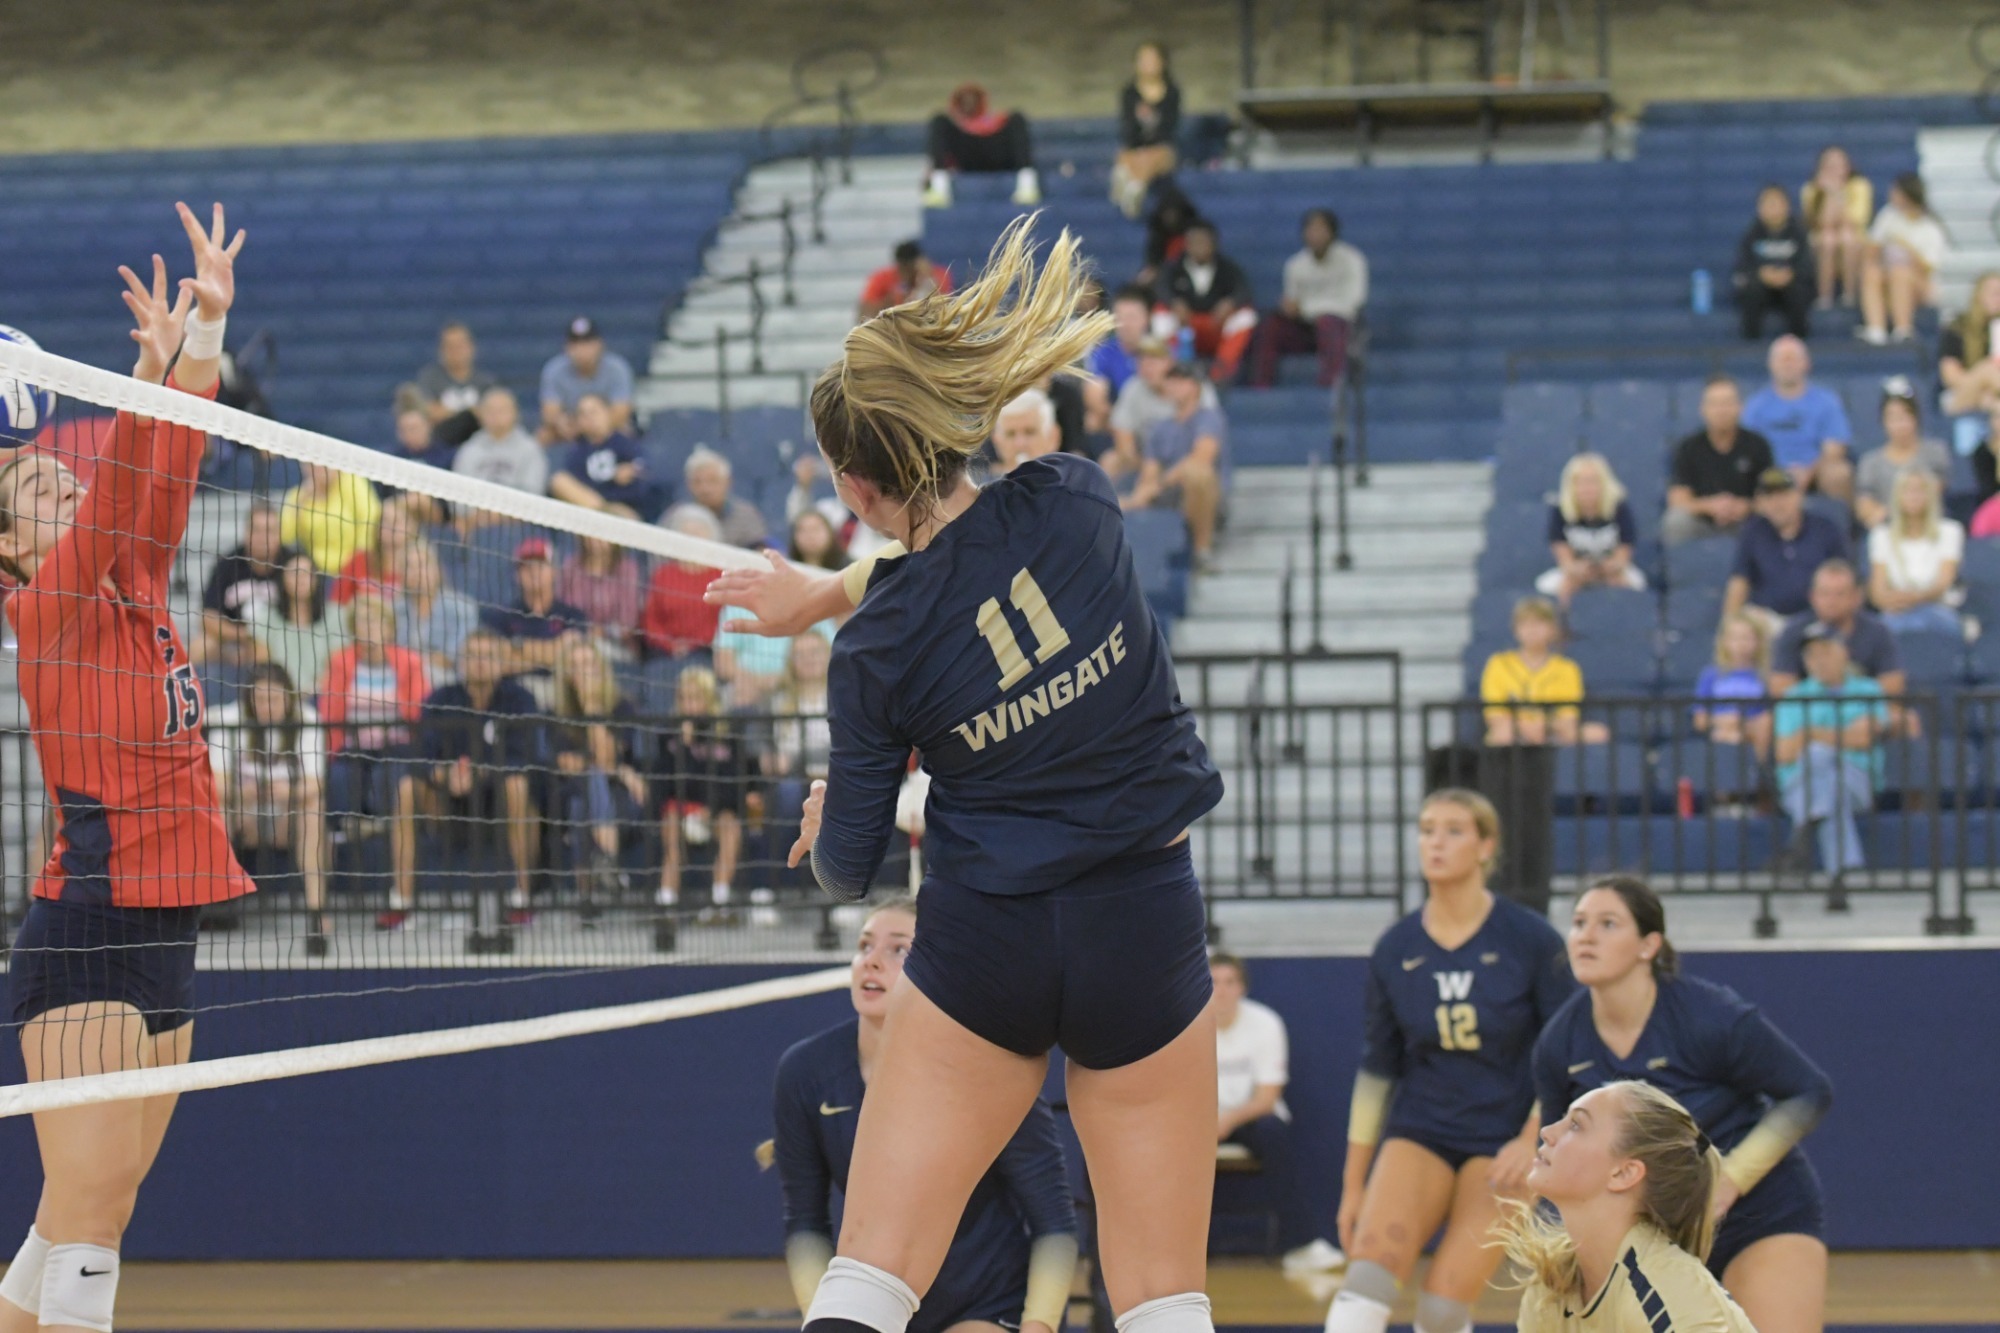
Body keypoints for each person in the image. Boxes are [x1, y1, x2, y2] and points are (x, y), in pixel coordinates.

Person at [701, 219, 1226, 1333]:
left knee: (870, 1274)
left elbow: (848, 874)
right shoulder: (1080, 501)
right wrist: (834, 587)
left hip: (987, 939)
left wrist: (830, 815)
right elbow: (975, 544)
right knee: (1160, 1300)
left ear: (850, 484)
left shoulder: (874, 650)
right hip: (1139, 919)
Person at [0, 202, 251, 1333]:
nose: (60, 486)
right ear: (9, 545)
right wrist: (134, 388)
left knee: (82, 1211)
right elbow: (115, 494)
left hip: (169, 918)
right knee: (91, 1228)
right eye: (35, 491)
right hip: (90, 923)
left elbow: (166, 474)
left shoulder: (132, 583)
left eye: (59, 480)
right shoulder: (47, 604)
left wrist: (195, 342)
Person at [1324, 789, 1574, 1333]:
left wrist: (1533, 1137)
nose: (1436, 842)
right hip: (1421, 1128)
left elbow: (1566, 1051)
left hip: (1504, 1139)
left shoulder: (1530, 939)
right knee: (1362, 1291)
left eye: (1454, 830)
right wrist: (1352, 1184)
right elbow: (1376, 1071)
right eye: (1427, 829)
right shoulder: (1396, 946)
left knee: (1441, 1309)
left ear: (1487, 846)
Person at [1536, 876, 1832, 1333]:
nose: (1586, 936)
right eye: (1578, 923)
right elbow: (1559, 1165)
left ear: (1648, 944)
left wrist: (1732, 1178)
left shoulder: (1711, 1018)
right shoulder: (1560, 1043)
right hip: (1650, 1239)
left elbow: (1808, 1092)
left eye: (1607, 924)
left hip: (1757, 1215)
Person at [769, 897, 1079, 1333]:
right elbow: (805, 1222)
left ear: (938, 970)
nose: (872, 962)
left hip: (990, 1300)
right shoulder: (806, 1071)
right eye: (864, 946)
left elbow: (1055, 1225)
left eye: (899, 950)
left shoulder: (988, 1066)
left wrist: (1039, 1324)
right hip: (875, 1294)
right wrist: (823, 1314)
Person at [1503, 1081, 1755, 1333]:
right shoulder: (1553, 1284)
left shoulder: (1667, 1290)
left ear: (1624, 1173)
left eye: (1576, 1125)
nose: (1547, 1131)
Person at [389, 627, 544, 929]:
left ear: (502, 663)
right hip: (448, 801)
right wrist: (444, 774)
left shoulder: (520, 700)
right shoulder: (441, 699)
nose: (480, 663)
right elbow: (420, 753)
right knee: (407, 787)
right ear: (460, 663)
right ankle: (401, 902)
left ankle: (521, 899)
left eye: (487, 656)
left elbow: (527, 756)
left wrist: (481, 773)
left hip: (498, 800)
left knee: (517, 784)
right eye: (472, 656)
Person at [1207, 953, 1344, 1276]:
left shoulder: (1265, 1023)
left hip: (1250, 1116)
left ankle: (1300, 1245)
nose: (1222, 991)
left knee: (1274, 1133)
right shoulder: (1185, 1026)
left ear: (1242, 988)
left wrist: (1226, 1121)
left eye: (1230, 982)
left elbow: (1267, 1097)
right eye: (1213, 982)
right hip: (1200, 1118)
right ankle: (1174, 1251)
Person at [206, 661, 330, 951]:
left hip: (287, 817)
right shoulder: (228, 718)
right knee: (219, 808)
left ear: (288, 698)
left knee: (314, 809)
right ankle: (215, 909)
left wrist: (288, 792)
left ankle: (317, 915)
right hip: (245, 815)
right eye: (260, 699)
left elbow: (316, 783)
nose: (266, 706)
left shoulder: (308, 720)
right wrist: (247, 793)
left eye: (274, 699)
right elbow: (216, 784)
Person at [318, 595, 430, 872]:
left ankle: (378, 825)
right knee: (341, 776)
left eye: (376, 621)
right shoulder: (340, 662)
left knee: (391, 775)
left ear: (390, 627)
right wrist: (332, 753)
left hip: (397, 746)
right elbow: (330, 714)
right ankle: (350, 827)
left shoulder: (409, 662)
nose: (369, 627)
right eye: (363, 622)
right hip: (354, 747)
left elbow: (420, 712)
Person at [1774, 624, 1890, 874]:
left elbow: (1864, 737)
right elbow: (1784, 753)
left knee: (1818, 756)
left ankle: (1803, 830)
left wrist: (1811, 733)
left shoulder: (1868, 690)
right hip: (1799, 783)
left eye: (1825, 651)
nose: (1819, 660)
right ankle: (1843, 873)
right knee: (1829, 785)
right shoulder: (1795, 695)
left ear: (1844, 652)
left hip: (1856, 779)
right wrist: (1841, 735)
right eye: (1811, 654)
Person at [551, 635, 647, 907]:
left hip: (619, 798)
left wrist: (592, 706)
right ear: (566, 674)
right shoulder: (558, 714)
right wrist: (620, 770)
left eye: (589, 664)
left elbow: (604, 759)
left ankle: (587, 901)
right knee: (584, 790)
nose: (584, 671)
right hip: (570, 789)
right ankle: (609, 865)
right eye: (576, 665)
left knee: (580, 809)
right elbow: (568, 765)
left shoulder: (621, 706)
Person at [655, 666, 750, 912]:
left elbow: (731, 783)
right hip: (681, 809)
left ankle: (719, 899)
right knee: (671, 822)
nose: (689, 705)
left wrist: (711, 809)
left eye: (696, 697)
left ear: (709, 700)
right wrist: (684, 747)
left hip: (716, 811)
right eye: (683, 698)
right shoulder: (668, 736)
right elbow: (667, 785)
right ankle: (666, 901)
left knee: (731, 824)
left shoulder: (727, 736)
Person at [1721, 469, 1851, 641]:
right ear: (1760, 503)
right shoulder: (1753, 532)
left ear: (1798, 496)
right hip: (1768, 620)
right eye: (1769, 497)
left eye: (1783, 495)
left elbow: (1845, 577)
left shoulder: (1825, 529)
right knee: (1746, 626)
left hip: (1816, 618)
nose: (1777, 503)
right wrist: (1729, 628)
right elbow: (1739, 583)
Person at [1249, 209, 1369, 389]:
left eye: (1320, 229)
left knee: (1327, 322)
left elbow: (1355, 301)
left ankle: (1331, 386)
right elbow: (1292, 301)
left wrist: (1310, 309)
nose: (1315, 235)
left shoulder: (1352, 259)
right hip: (1306, 328)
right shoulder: (1295, 264)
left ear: (1332, 232)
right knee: (1271, 326)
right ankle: (1261, 386)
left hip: (1340, 326)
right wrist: (1291, 308)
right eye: (1310, 230)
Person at [1125, 364, 1228, 568]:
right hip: (1167, 495)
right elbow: (1149, 470)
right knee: (1113, 501)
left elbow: (1202, 456)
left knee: (1198, 474)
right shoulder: (1161, 427)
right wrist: (1143, 492)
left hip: (1203, 498)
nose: (1173, 386)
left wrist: (1159, 484)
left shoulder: (1209, 417)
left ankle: (1202, 549)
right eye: (1171, 381)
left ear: (1195, 387)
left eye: (1181, 381)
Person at [1768, 560, 1907, 703]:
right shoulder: (1793, 632)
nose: (1831, 601)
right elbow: (1780, 688)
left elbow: (1893, 688)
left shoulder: (1878, 632)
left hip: (1862, 713)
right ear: (1812, 596)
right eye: (1824, 593)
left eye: (1839, 594)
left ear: (1857, 597)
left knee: (1903, 717)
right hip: (1809, 715)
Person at [1481, 597, 1608, 747]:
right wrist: (1525, 726)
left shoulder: (1567, 668)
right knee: (1503, 733)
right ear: (1515, 630)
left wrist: (1544, 726)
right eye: (1525, 624)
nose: (1532, 630)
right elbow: (1495, 713)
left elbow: (1568, 715)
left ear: (1552, 629)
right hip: (1513, 732)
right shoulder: (1499, 663)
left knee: (1598, 733)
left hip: (1554, 733)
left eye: (1539, 624)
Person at [1665, 376, 1776, 546]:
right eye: (1715, 404)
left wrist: (1745, 507)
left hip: (1746, 522)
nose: (1721, 410)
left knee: (1773, 517)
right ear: (1703, 409)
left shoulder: (1757, 445)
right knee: (1676, 521)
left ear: (1740, 407)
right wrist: (1710, 506)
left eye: (1727, 403)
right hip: (1702, 521)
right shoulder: (1688, 447)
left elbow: (1771, 495)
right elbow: (1678, 499)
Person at [1740, 336, 1852, 501]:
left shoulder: (1826, 402)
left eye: (1792, 359)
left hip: (1814, 474)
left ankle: (1840, 525)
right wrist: (1779, 474)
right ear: (1771, 364)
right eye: (1782, 359)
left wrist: (1807, 472)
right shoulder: (1755, 406)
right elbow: (1746, 447)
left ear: (1806, 363)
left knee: (1839, 472)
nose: (1787, 364)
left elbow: (1834, 448)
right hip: (1768, 474)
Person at [1536, 453, 1644, 607]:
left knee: (1629, 584)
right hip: (1576, 570)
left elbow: (1623, 553)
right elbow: (1563, 558)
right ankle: (1565, 623)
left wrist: (1609, 567)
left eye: (1593, 481)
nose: (1587, 488)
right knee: (1558, 586)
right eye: (1580, 482)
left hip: (1612, 570)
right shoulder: (1559, 510)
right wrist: (1577, 569)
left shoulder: (1619, 508)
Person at [1156, 221, 1256, 382]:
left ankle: (1221, 374)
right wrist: (1174, 302)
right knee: (1161, 313)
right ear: (1186, 245)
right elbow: (1160, 290)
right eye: (1195, 242)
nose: (1200, 247)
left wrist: (1230, 303)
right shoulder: (1173, 268)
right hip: (1185, 327)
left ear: (1214, 245)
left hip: (1216, 326)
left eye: (1205, 242)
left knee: (1246, 315)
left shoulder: (1228, 268)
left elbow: (1244, 290)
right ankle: (1174, 370)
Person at [1867, 469, 1964, 635]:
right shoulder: (1881, 535)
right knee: (1886, 629)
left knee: (1941, 624)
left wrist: (1915, 599)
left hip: (1938, 607)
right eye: (1908, 490)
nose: (1914, 496)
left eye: (1920, 490)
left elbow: (1944, 582)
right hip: (1895, 610)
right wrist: (1895, 601)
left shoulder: (1950, 530)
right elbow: (1878, 591)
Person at [1109, 337, 1218, 481]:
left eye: (1153, 361)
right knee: (1110, 460)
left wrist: (1163, 477)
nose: (1146, 367)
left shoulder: (1195, 386)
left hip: (1188, 458)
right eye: (1141, 361)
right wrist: (1148, 467)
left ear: (1170, 362)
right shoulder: (1134, 388)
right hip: (1146, 460)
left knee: (1197, 471)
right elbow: (1122, 434)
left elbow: (1209, 435)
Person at [199, 500, 295, 664]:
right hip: (232, 640)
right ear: (246, 532)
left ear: (279, 534)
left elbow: (302, 617)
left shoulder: (291, 564)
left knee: (261, 651)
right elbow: (208, 618)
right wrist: (245, 636)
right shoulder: (227, 564)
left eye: (269, 531)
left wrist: (261, 639)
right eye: (256, 530)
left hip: (279, 640)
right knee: (201, 647)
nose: (262, 537)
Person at [482, 537, 590, 681]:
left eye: (540, 564)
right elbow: (496, 663)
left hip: (560, 690)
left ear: (554, 571)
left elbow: (569, 656)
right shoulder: (502, 616)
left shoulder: (573, 615)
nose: (533, 571)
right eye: (526, 566)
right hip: (514, 690)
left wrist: (516, 647)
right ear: (517, 575)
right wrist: (552, 652)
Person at [1857, 173, 1946, 346]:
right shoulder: (1888, 216)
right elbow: (1871, 250)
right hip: (1888, 278)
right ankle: (1876, 329)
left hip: (1919, 285)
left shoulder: (1930, 228)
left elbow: (1929, 268)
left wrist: (1907, 250)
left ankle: (1903, 329)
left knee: (1900, 273)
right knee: (1872, 272)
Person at [246, 550, 348, 700]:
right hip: (278, 700)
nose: (301, 579)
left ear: (316, 579)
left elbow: (338, 667)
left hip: (323, 697)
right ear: (282, 578)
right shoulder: (265, 619)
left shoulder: (336, 617)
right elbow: (264, 670)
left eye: (307, 573)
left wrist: (313, 690)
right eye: (294, 573)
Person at [1853, 377, 1952, 530]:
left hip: (1929, 528)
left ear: (1916, 418)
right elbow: (1864, 504)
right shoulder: (1870, 462)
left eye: (1905, 416)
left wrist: (1890, 512)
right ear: (1883, 421)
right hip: (1888, 531)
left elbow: (1934, 490)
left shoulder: (1935, 452)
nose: (1899, 424)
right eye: (1892, 417)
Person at [548, 392, 664, 521]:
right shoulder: (576, 453)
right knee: (560, 480)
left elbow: (645, 467)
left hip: (624, 508)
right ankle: (602, 516)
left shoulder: (625, 443)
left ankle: (604, 517)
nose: (590, 418)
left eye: (594, 412)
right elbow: (573, 486)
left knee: (624, 516)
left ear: (608, 413)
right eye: (583, 414)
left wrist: (631, 470)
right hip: (589, 512)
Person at [924, 83, 1040, 209]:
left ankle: (1027, 183)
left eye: (973, 100)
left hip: (997, 156)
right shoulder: (953, 128)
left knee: (1017, 117)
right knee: (939, 119)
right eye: (965, 101)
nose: (969, 104)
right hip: (967, 157)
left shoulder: (996, 121)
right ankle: (939, 186)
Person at [643, 505, 726, 678]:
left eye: (698, 532)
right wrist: (670, 645)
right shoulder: (663, 574)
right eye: (687, 533)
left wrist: (694, 645)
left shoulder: (721, 575)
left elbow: (723, 620)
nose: (692, 538)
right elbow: (651, 619)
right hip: (664, 652)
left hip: (706, 652)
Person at [394, 538, 480, 687]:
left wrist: (412, 661)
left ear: (437, 570)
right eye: (410, 567)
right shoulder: (395, 610)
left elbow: (453, 658)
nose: (417, 572)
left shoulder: (462, 608)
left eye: (423, 565)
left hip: (449, 681)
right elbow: (390, 654)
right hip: (402, 678)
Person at [1733, 185, 1815, 341]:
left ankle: (1799, 342)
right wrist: (1762, 275)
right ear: (1759, 208)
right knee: (1751, 290)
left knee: (1799, 292)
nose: (1773, 209)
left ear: (1787, 206)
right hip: (1761, 287)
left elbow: (1807, 265)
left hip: (1791, 285)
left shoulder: (1798, 232)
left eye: (1776, 203)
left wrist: (1790, 275)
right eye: (1768, 204)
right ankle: (1751, 342)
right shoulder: (1752, 233)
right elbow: (1743, 266)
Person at [558, 514, 648, 654]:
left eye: (601, 531)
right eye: (592, 531)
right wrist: (583, 632)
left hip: (618, 646)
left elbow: (629, 620)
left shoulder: (627, 569)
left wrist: (604, 631)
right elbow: (564, 609)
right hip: (577, 642)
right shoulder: (571, 566)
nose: (596, 538)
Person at [1111, 41, 1181, 217]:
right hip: (1136, 148)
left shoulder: (1172, 92)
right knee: (1125, 155)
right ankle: (1128, 183)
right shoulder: (1129, 93)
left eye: (1153, 59)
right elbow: (1128, 128)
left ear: (1163, 62)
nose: (1148, 64)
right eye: (1144, 60)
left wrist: (1148, 150)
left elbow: (1168, 128)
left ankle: (1135, 187)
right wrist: (1138, 150)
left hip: (1161, 149)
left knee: (1157, 155)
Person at [539, 315, 634, 443]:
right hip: (570, 427)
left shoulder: (617, 368)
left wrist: (589, 425)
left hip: (606, 427)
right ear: (567, 348)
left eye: (587, 343)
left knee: (625, 431)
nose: (582, 350)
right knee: (543, 436)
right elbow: (549, 412)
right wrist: (561, 421)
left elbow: (621, 412)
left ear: (600, 345)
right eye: (576, 344)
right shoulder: (554, 369)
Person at [1936, 271, 2000, 458]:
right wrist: (1981, 388)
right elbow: (1951, 377)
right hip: (1960, 397)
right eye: (1995, 293)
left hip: (1992, 398)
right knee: (1988, 369)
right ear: (1979, 295)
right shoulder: (1958, 327)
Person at [281, 459, 380, 579]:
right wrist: (301, 501)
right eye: (312, 465)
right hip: (314, 573)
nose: (319, 469)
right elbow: (285, 537)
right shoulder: (298, 495)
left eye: (324, 464)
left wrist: (357, 562)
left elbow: (371, 520)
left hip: (353, 570)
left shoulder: (352, 482)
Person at [1801, 145, 1871, 310]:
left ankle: (1849, 293)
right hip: (1822, 237)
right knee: (1828, 239)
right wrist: (1829, 193)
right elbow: (1821, 223)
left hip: (1853, 237)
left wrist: (1836, 194)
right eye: (1829, 165)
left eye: (1839, 165)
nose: (1834, 170)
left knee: (1847, 238)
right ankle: (1825, 295)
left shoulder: (1860, 186)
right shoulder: (1810, 189)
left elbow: (1854, 220)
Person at [1693, 613, 1774, 752]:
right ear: (1724, 641)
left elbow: (1769, 715)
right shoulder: (1711, 675)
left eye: (1747, 638)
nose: (1741, 644)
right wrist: (1725, 721)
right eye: (1735, 638)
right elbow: (1700, 719)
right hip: (1720, 731)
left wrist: (1744, 724)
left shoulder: (1765, 676)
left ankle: (1760, 769)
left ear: (1759, 642)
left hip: (1753, 733)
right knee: (1727, 736)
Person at [453, 386, 549, 496]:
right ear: (480, 415)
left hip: (515, 510)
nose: (496, 416)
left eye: (502, 410)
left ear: (515, 413)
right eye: (490, 411)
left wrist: (500, 511)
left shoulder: (530, 449)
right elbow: (458, 494)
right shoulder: (468, 449)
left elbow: (533, 492)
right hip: (475, 512)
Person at [414, 321, 498, 447]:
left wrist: (447, 411)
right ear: (441, 350)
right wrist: (469, 412)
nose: (455, 352)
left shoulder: (485, 381)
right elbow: (428, 413)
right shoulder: (430, 378)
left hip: (479, 447)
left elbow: (492, 416)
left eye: (460, 346)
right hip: (440, 446)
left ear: (471, 347)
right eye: (450, 346)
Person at [330, 491, 420, 607]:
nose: (389, 526)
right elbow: (336, 606)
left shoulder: (419, 567)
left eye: (396, 522)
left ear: (412, 528)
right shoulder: (359, 560)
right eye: (385, 520)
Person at [1084, 286, 1153, 428]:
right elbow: (1095, 396)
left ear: (1146, 319)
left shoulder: (1159, 351)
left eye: (1132, 317)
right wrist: (1121, 422)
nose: (1126, 324)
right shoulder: (1105, 351)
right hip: (1118, 417)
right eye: (1120, 318)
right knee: (1092, 420)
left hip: (1154, 415)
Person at [679, 446, 768, 548]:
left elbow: (760, 554)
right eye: (697, 482)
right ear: (688, 485)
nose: (705, 489)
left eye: (712, 481)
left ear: (728, 482)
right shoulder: (676, 517)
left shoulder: (746, 517)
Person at [858, 241, 955, 324]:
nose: (904, 272)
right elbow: (865, 311)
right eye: (901, 267)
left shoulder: (937, 275)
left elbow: (942, 305)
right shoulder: (882, 277)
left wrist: (926, 278)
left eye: (908, 267)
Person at [986, 388, 1064, 480]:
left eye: (1030, 432)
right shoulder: (982, 492)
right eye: (1010, 434)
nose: (1020, 444)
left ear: (1053, 437)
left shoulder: (1077, 489)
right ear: (996, 440)